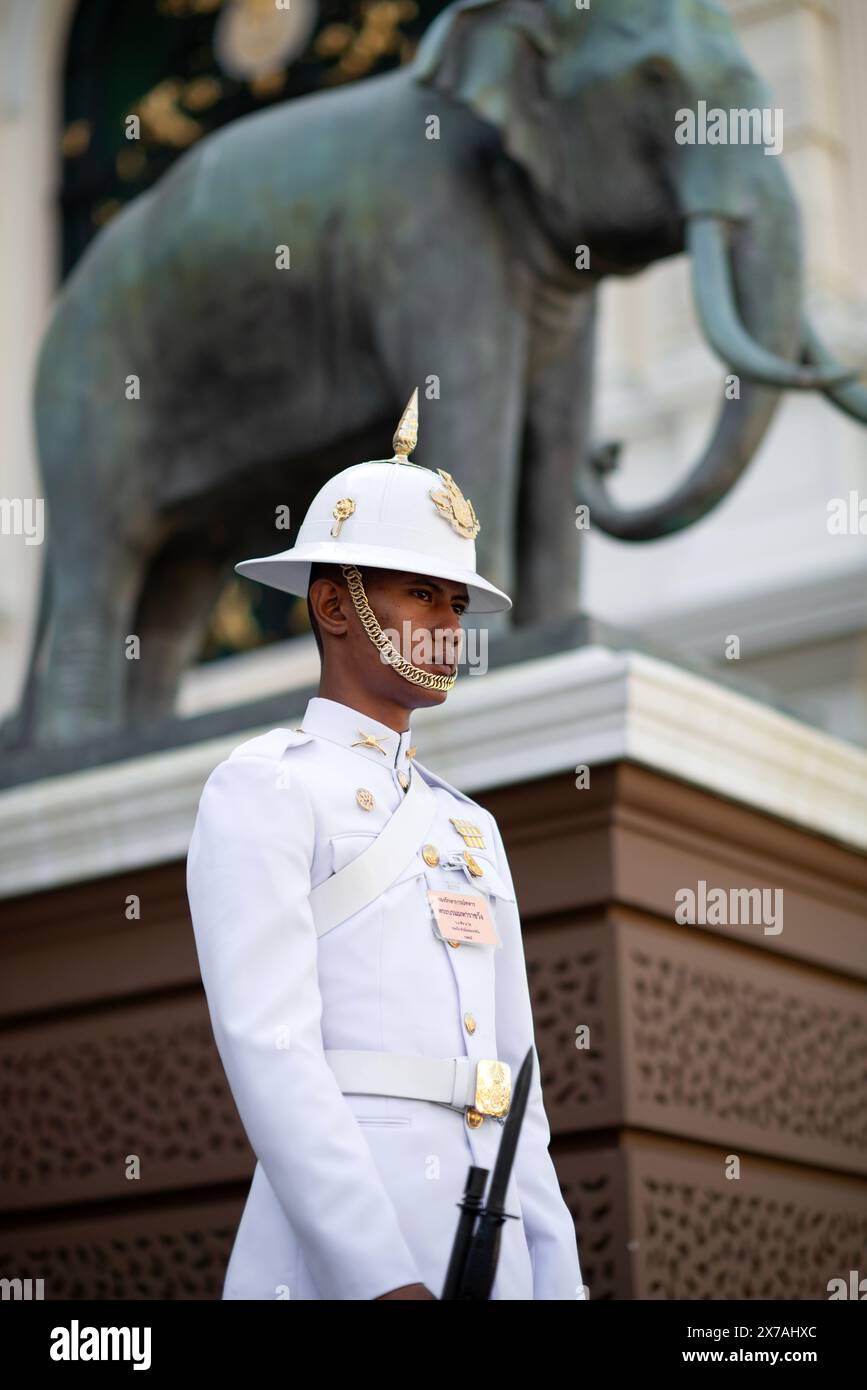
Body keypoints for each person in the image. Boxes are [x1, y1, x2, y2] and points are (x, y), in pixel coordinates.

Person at [186, 390, 586, 1300]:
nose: (449, 627)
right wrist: (376, 1279)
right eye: (421, 596)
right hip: (349, 1251)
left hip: (494, 1244)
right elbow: (273, 1055)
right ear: (334, 605)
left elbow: (517, 1088)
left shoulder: (467, 828)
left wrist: (557, 1282)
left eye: (456, 603)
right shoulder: (266, 787)